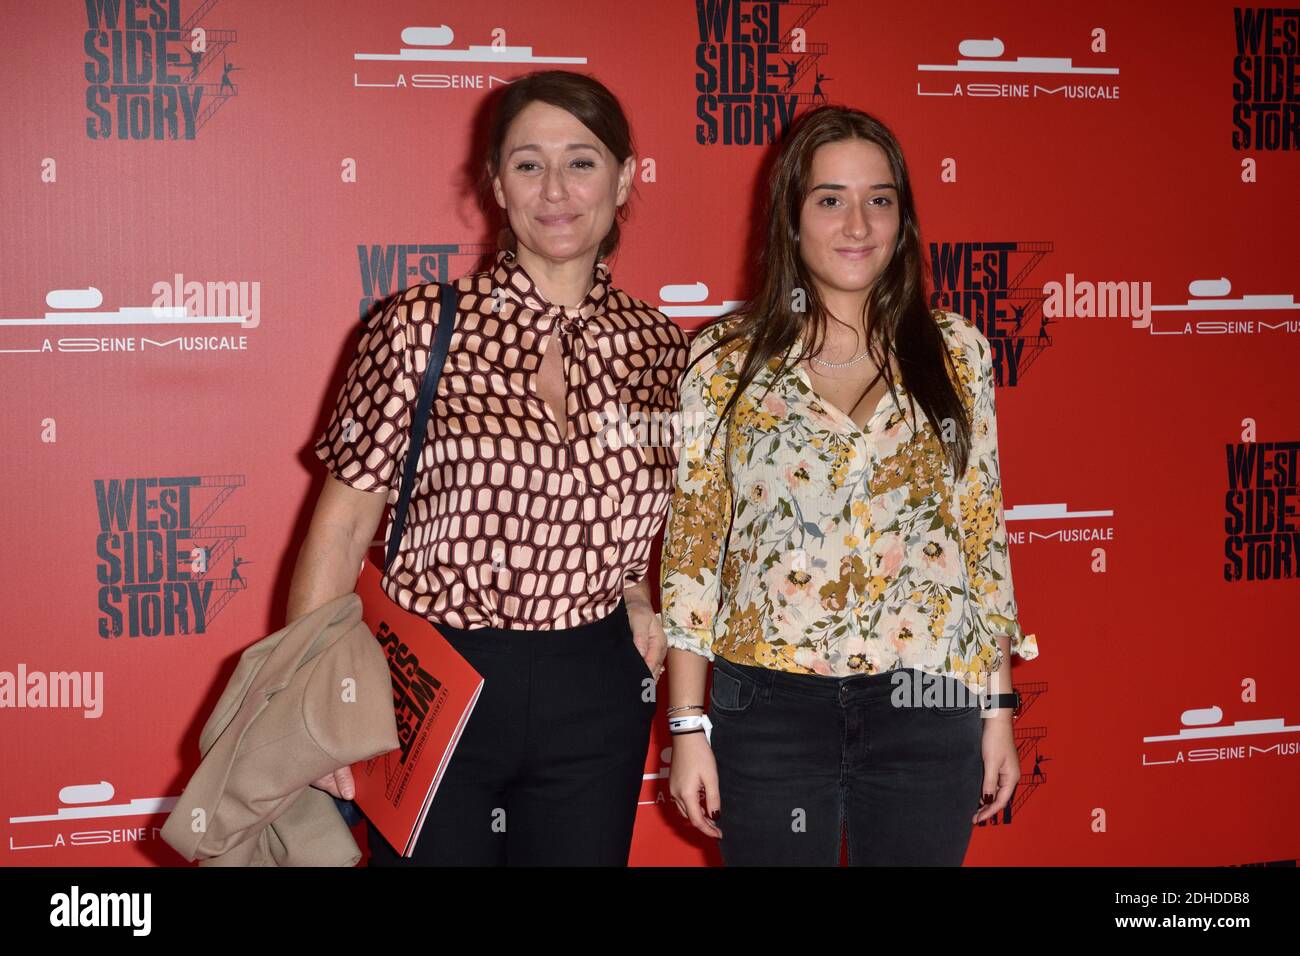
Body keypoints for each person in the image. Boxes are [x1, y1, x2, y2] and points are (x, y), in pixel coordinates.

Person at [289, 70, 689, 865]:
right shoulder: (418, 326)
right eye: (527, 163)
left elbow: (651, 516)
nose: (556, 189)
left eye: (581, 161)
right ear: (496, 183)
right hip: (433, 682)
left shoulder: (666, 350)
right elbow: (337, 538)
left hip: (597, 687)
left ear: (626, 175)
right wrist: (314, 713)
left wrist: (639, 595)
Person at [659, 105, 1039, 866]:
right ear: (791, 218)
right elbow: (694, 548)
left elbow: (980, 538)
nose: (858, 223)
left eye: (880, 198)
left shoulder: (958, 350)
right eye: (830, 199)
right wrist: (687, 727)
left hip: (927, 704)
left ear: (904, 217)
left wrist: (997, 708)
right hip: (768, 708)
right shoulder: (722, 360)